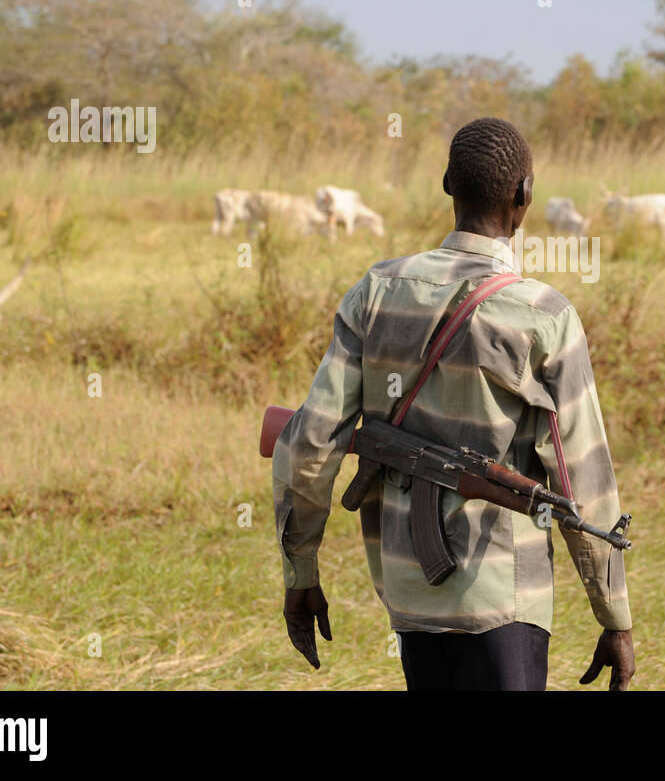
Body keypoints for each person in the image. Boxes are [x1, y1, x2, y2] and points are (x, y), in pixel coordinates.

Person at [272, 117, 635, 691]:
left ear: (447, 184)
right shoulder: (543, 313)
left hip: (408, 593)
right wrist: (613, 613)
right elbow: (579, 476)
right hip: (505, 596)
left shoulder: (377, 290)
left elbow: (312, 440)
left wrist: (301, 572)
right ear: (524, 196)